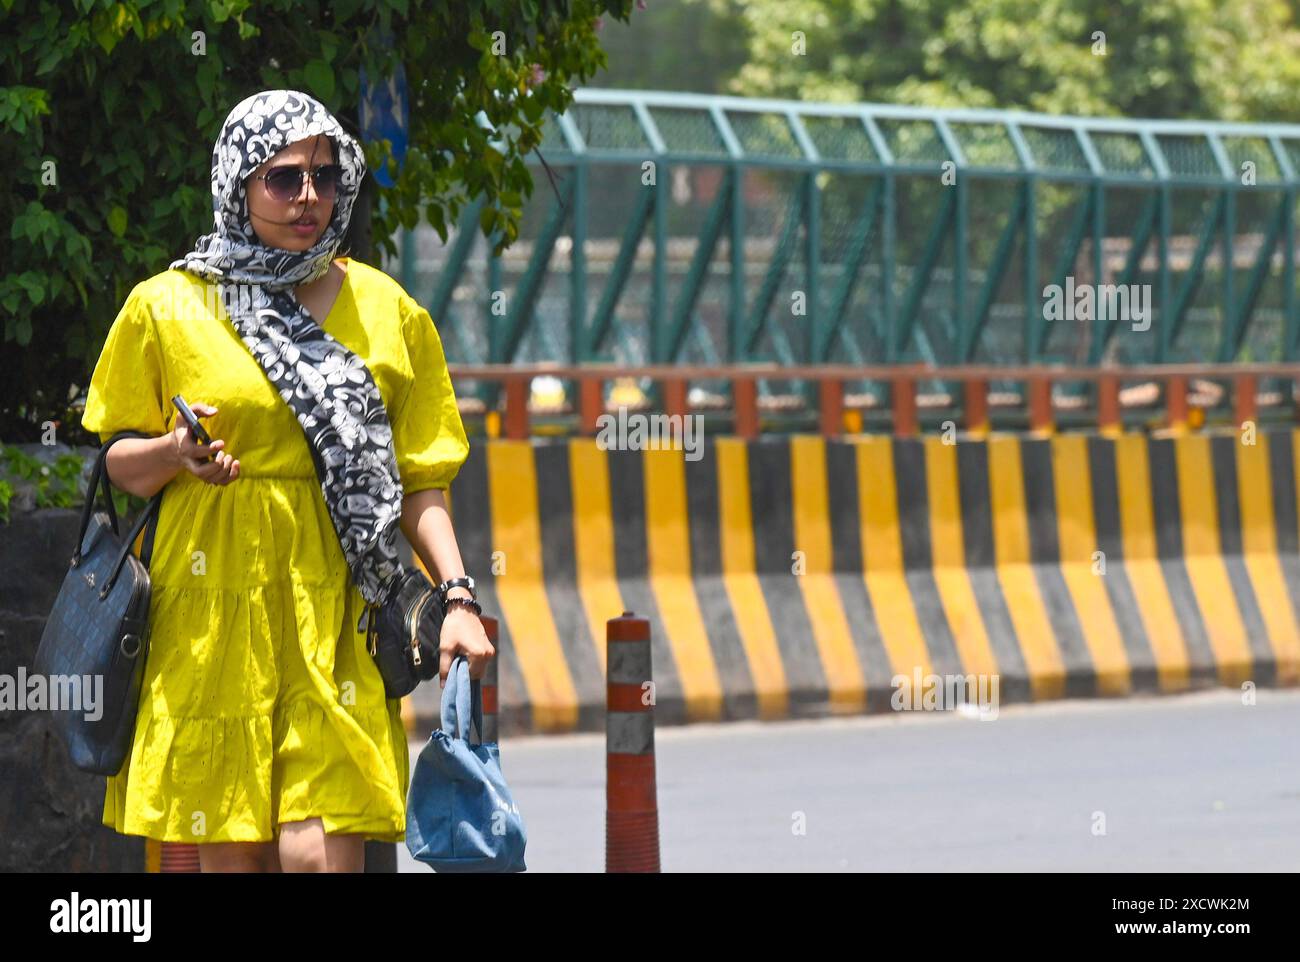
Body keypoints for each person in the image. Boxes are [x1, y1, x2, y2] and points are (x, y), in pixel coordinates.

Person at [80, 89, 495, 872]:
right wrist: (175, 451)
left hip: (336, 602)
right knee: (231, 856)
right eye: (283, 178)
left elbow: (420, 481)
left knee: (317, 853)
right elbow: (116, 462)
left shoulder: (387, 311)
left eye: (326, 177)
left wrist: (459, 598)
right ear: (238, 182)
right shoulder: (166, 306)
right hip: (207, 611)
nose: (309, 197)